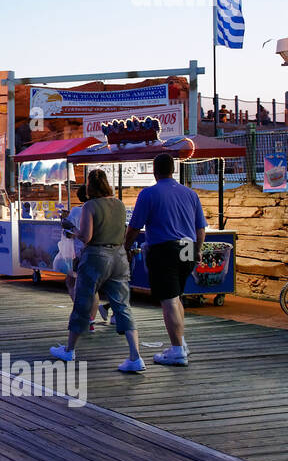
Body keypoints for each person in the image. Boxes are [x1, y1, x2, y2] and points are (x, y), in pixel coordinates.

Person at [52, 171, 143, 372]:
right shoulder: (119, 204)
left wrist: (71, 230)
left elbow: (86, 237)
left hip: (96, 257)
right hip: (118, 257)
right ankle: (135, 356)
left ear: (91, 186)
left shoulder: (90, 206)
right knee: (122, 306)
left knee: (83, 301)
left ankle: (69, 350)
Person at [124, 152, 206, 367]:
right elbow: (201, 228)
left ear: (154, 169)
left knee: (168, 299)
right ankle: (181, 342)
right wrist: (198, 249)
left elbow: (135, 226)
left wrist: (125, 247)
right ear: (173, 169)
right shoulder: (190, 193)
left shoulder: (148, 194)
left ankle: (177, 350)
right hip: (187, 247)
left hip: (164, 248)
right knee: (177, 295)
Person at [60, 182, 104, 329]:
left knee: (72, 283)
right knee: (93, 288)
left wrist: (64, 221)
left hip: (80, 253)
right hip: (99, 252)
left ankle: (84, 314)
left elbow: (70, 233)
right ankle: (91, 318)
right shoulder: (101, 209)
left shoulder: (77, 211)